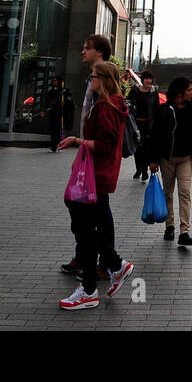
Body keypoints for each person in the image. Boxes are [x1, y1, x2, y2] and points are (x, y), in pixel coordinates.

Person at [56, 60, 134, 311]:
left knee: (84, 227)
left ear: (102, 79)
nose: (90, 80)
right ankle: (113, 266)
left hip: (95, 175)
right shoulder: (109, 105)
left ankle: (92, 286)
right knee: (84, 226)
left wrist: (76, 140)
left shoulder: (106, 107)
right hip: (97, 174)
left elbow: (104, 144)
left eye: (92, 76)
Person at [144, 75, 192, 247]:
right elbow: (156, 135)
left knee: (185, 193)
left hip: (185, 157)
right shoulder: (164, 110)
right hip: (167, 158)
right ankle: (169, 225)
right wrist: (153, 159)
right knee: (168, 192)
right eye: (189, 90)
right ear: (179, 93)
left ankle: (184, 231)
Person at [127, 70, 159, 179]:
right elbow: (127, 102)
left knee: (146, 148)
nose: (148, 80)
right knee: (137, 148)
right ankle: (138, 169)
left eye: (150, 78)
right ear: (142, 79)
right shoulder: (135, 90)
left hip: (148, 125)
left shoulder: (154, 92)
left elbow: (156, 109)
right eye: (146, 78)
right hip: (136, 124)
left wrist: (156, 124)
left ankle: (145, 171)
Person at [76, 35, 112, 133]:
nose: (83, 52)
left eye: (87, 48)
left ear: (99, 52)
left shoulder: (105, 78)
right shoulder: (91, 77)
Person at [45, 76, 71, 153]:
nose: (54, 82)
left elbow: (70, 99)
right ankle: (54, 146)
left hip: (61, 113)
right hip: (54, 112)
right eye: (53, 81)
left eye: (55, 80)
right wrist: (44, 109)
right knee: (53, 130)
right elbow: (48, 100)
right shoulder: (52, 90)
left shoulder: (64, 90)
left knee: (58, 129)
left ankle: (58, 146)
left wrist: (65, 101)